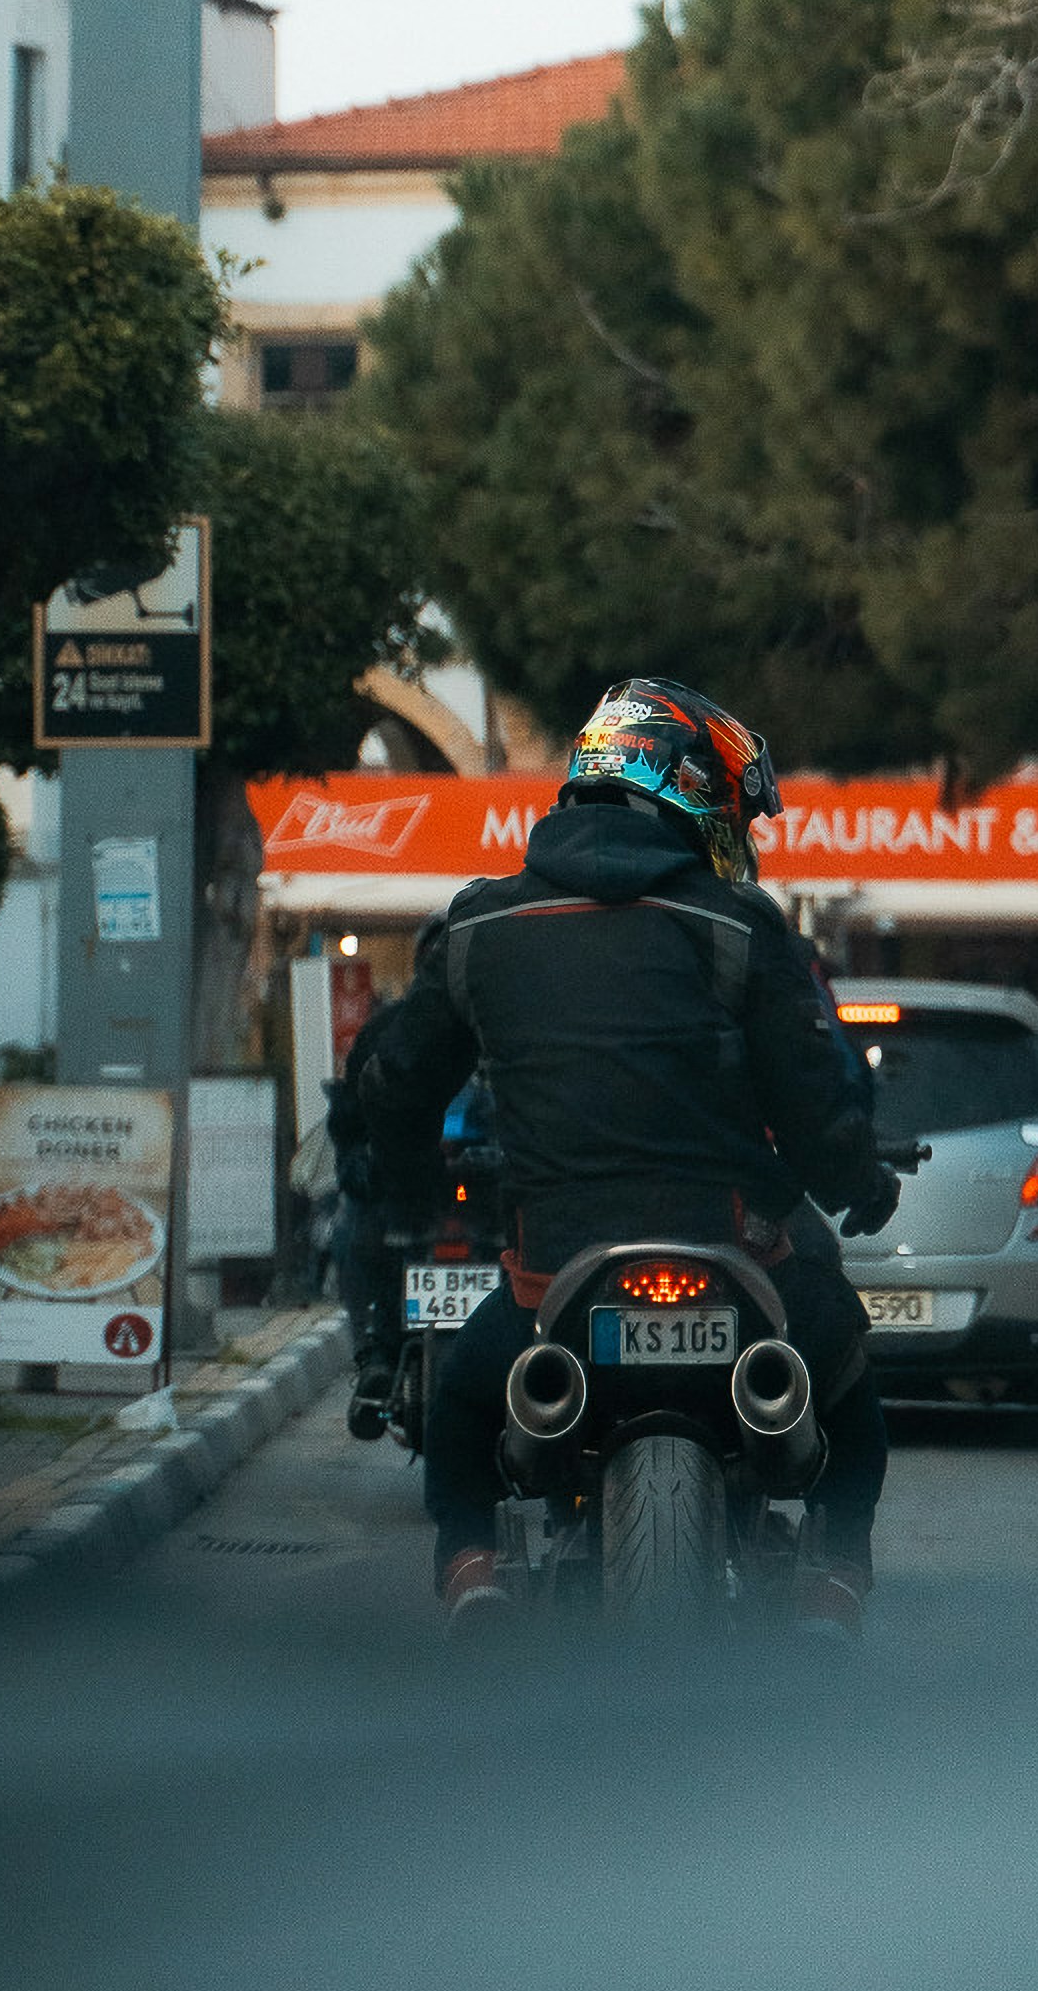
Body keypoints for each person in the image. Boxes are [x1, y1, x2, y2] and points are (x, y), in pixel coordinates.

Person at [345, 675, 902, 1634]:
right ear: (683, 787)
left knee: (464, 1400)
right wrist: (862, 1181)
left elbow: (392, 1085)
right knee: (848, 1393)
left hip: (552, 1264)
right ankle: (832, 1585)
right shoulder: (737, 928)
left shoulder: (481, 926)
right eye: (730, 802)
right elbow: (814, 1105)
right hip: (732, 1248)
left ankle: (472, 1571)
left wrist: (406, 1181)